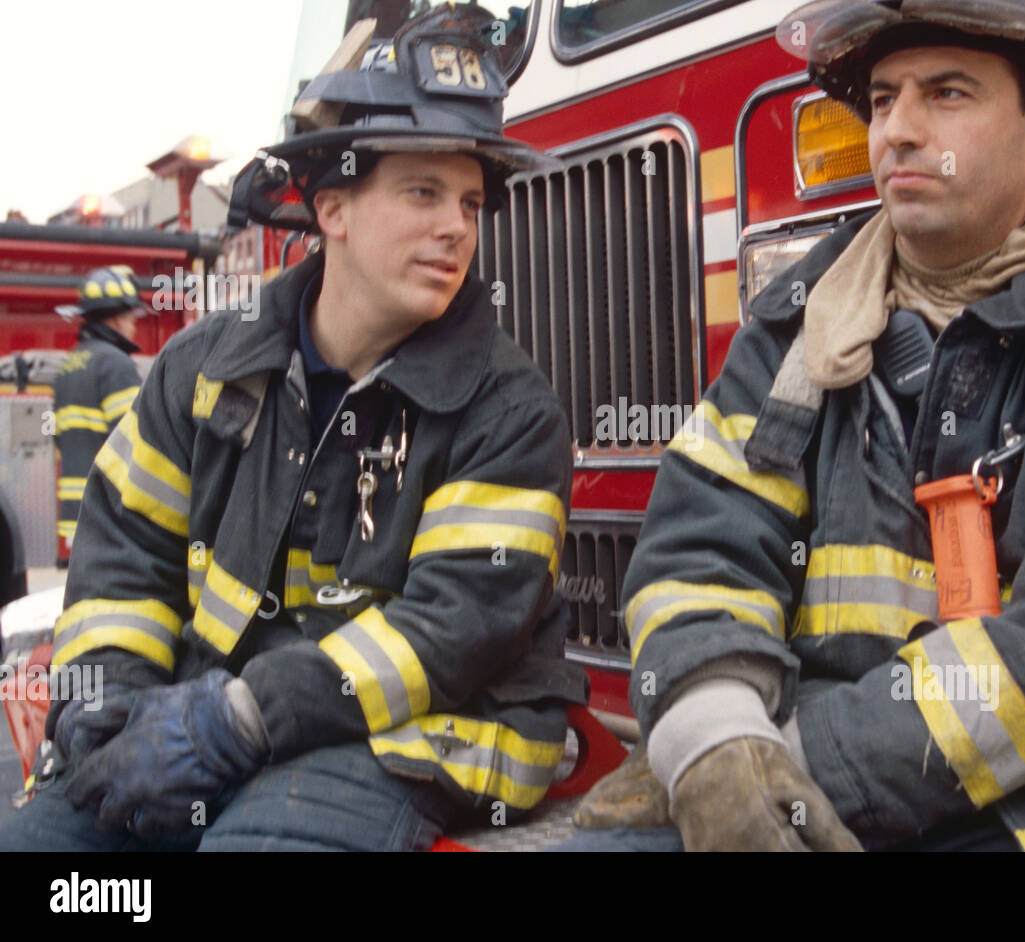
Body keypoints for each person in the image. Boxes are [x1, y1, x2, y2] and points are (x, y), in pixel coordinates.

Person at [567, 0, 1025, 852]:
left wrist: (793, 766)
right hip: (835, 764)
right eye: (882, 99)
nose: (898, 132)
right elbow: (698, 548)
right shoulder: (799, 329)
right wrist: (713, 739)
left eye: (946, 94)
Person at [0, 6, 586, 852]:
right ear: (333, 211)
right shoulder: (198, 371)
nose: (457, 226)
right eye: (423, 193)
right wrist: (106, 713)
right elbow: (125, 558)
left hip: (422, 733)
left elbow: (448, 633)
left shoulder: (509, 410)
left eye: (468, 201)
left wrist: (236, 718)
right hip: (222, 720)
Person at [52, 267, 143, 549]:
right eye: (131, 318)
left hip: (74, 517)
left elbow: (55, 435)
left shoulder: (67, 366)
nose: (134, 326)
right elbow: (137, 442)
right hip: (109, 517)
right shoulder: (116, 365)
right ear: (116, 319)